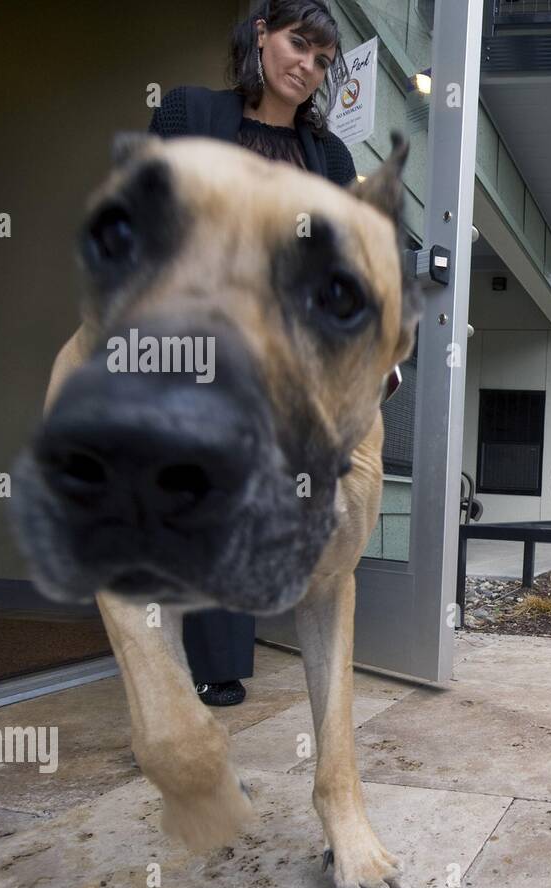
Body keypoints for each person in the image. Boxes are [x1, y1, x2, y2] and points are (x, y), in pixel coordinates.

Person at [147, 0, 354, 705]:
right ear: (262, 35)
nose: (308, 66)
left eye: (323, 60)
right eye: (300, 44)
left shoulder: (329, 156)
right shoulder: (189, 114)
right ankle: (212, 660)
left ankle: (221, 646)